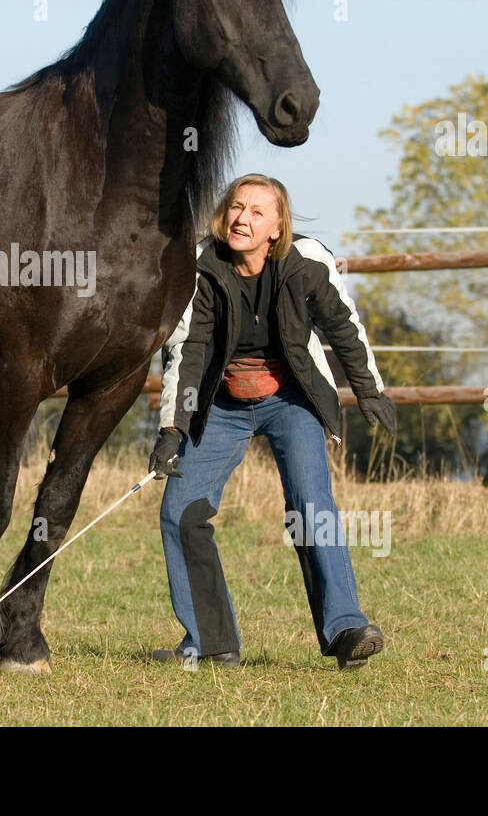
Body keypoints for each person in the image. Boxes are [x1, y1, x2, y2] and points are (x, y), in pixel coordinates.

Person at [148, 173, 397, 670]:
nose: (242, 218)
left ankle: (346, 628)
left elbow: (344, 326)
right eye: (236, 207)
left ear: (277, 227)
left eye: (257, 212)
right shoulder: (200, 266)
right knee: (181, 511)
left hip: (292, 397)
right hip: (221, 403)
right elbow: (186, 349)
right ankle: (209, 642)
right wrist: (172, 429)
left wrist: (370, 390)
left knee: (310, 507)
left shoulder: (308, 262)